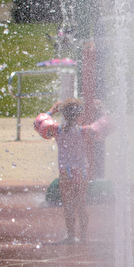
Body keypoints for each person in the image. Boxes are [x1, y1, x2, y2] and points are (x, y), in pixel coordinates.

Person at [33, 98, 111, 244]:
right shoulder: (85, 131)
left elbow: (38, 123)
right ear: (80, 115)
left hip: (65, 171)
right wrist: (101, 109)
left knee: (68, 206)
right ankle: (82, 238)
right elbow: (106, 123)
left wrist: (51, 110)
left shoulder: (56, 130)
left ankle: (70, 236)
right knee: (81, 205)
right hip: (81, 170)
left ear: (64, 115)